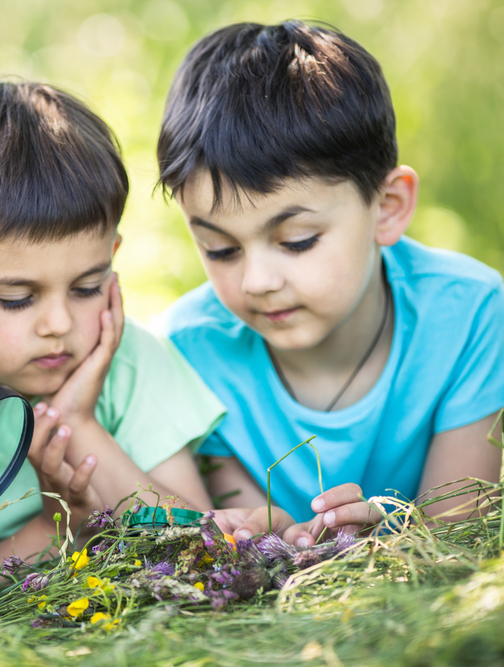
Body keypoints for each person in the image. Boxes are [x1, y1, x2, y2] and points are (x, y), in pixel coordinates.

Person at [0, 80, 287, 604]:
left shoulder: (132, 363)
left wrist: (79, 423)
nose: (59, 324)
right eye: (16, 298)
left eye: (87, 287)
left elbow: (201, 544)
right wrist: (55, 532)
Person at [151, 21, 504, 545]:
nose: (258, 281)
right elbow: (249, 534)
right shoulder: (187, 353)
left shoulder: (470, 316)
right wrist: (264, 530)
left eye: (296, 240)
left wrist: (387, 540)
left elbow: (457, 538)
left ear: (388, 208)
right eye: (220, 249)